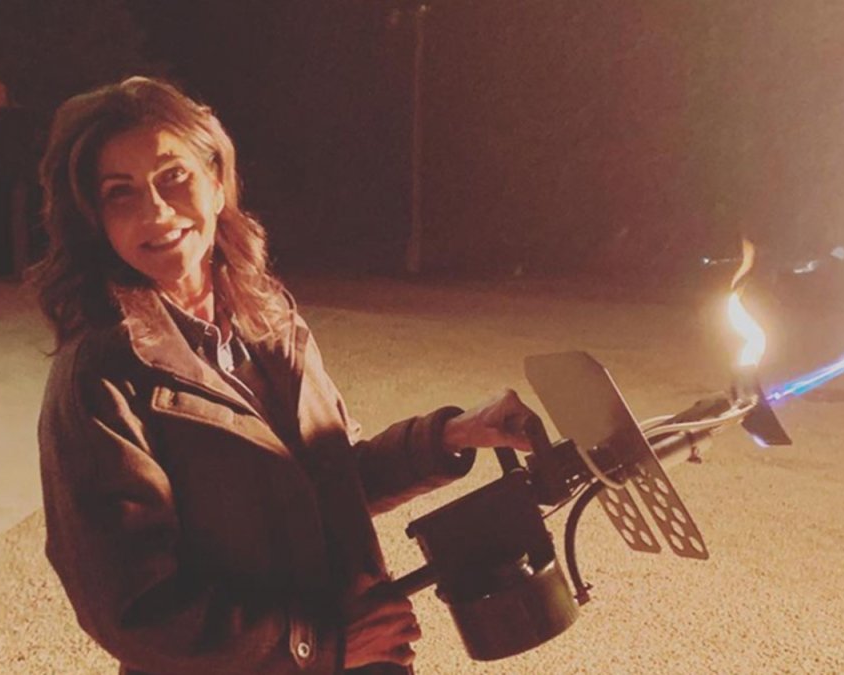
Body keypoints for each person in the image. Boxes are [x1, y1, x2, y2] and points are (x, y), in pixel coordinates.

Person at [33, 76, 539, 675]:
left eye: (174, 176)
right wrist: (315, 645)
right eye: (121, 193)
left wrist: (452, 434)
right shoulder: (98, 377)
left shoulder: (266, 315)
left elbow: (332, 476)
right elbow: (132, 609)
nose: (157, 211)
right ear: (95, 219)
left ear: (216, 182)